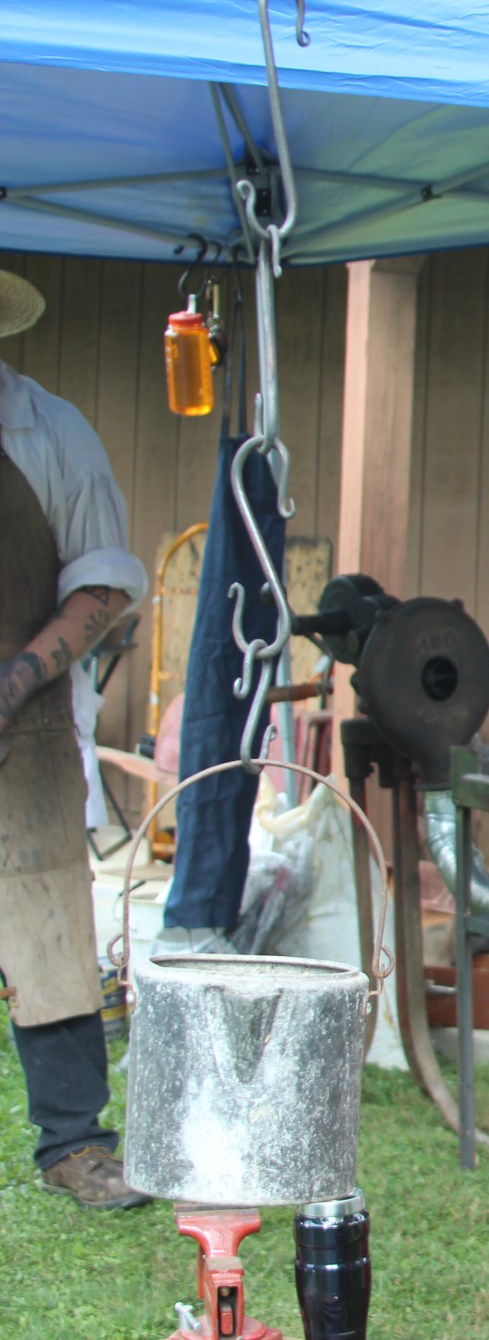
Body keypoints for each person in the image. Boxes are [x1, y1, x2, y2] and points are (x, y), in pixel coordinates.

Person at [0, 267, 152, 1210]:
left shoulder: (49, 431)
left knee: (46, 921)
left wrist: (14, 681)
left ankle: (74, 1144)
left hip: (29, 723)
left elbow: (102, 589)